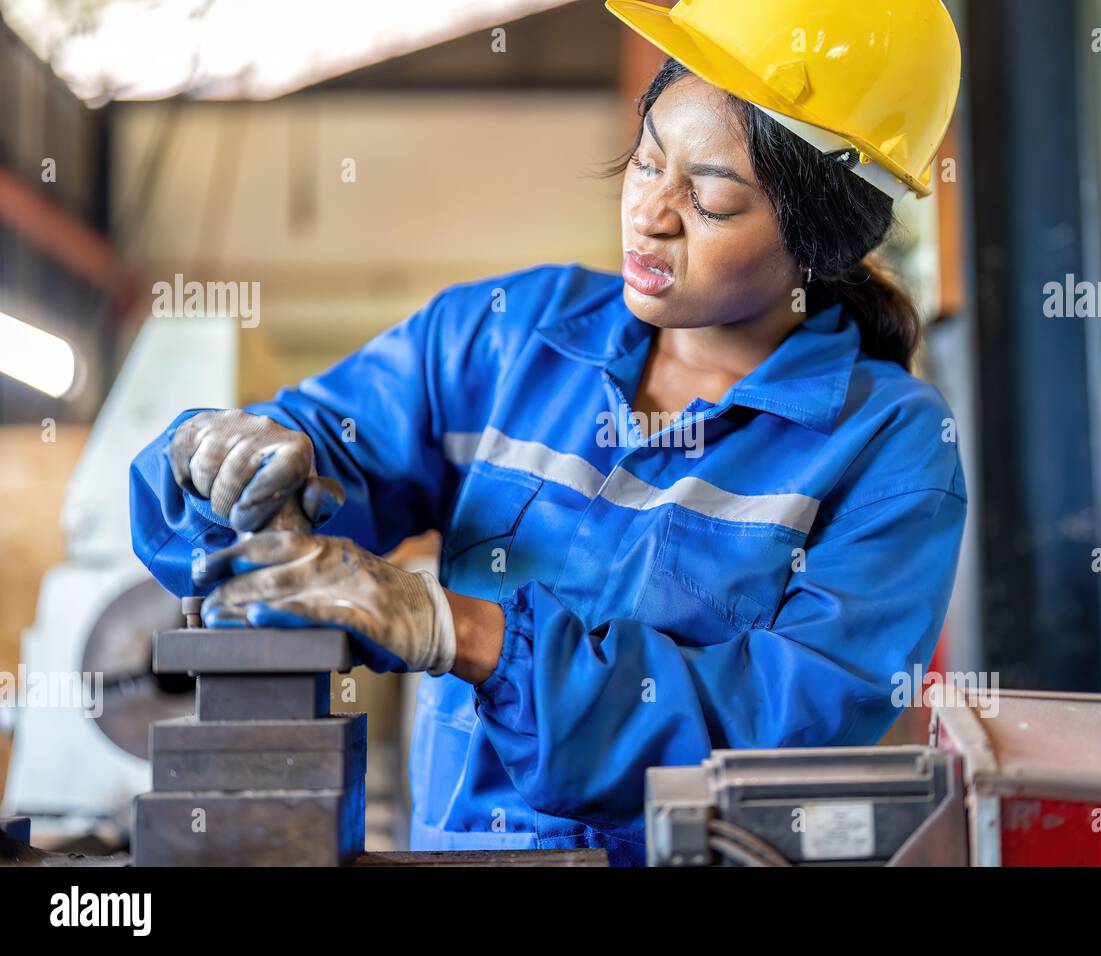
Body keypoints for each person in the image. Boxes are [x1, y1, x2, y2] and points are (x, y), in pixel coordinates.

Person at [129, 0, 966, 866]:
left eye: (711, 200)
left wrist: (463, 633)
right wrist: (224, 465)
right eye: (647, 162)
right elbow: (315, 458)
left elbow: (782, 724)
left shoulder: (889, 448)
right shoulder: (505, 335)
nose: (651, 212)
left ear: (821, 241)